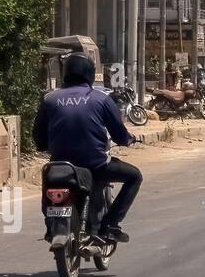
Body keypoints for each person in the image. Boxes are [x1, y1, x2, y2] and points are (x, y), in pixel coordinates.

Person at [32, 53, 142, 243]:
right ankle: (110, 225)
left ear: (66, 74)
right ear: (90, 75)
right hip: (95, 165)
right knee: (135, 176)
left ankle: (51, 225)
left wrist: (45, 146)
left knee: (49, 180)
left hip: (60, 166)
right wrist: (128, 139)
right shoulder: (101, 99)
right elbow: (119, 135)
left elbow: (38, 136)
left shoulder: (49, 99)